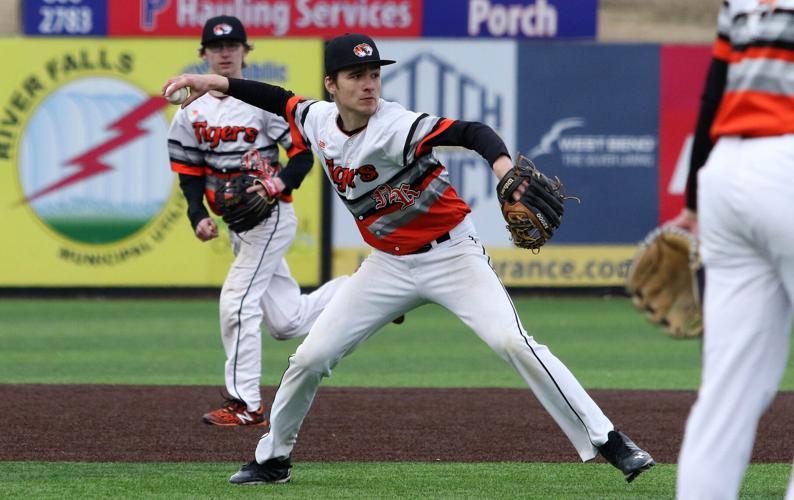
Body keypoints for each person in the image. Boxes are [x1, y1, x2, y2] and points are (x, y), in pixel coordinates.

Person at [164, 33, 655, 484]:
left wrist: (504, 168)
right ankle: (273, 459)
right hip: (386, 265)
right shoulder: (317, 120)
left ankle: (611, 442)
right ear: (331, 85)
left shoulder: (396, 126)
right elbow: (275, 97)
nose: (369, 84)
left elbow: (473, 131)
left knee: (514, 341)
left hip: (452, 256)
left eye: (374, 74)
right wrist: (208, 82)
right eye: (356, 75)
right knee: (309, 358)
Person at [167, 15, 349, 427]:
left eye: (232, 45)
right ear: (203, 53)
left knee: (237, 302)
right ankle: (364, 288)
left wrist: (277, 183)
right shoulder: (190, 112)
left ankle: (245, 404)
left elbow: (302, 155)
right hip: (237, 223)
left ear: (246, 51)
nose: (225, 53)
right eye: (217, 47)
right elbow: (189, 171)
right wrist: (197, 215)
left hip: (270, 216)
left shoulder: (258, 103)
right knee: (287, 321)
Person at [670, 1, 794, 498]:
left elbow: (714, 89)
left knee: (728, 391)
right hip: (786, 159)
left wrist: (694, 202)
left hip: (726, 171)